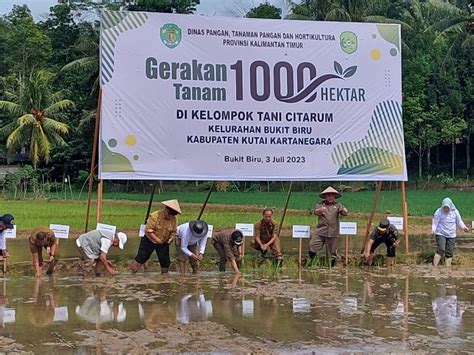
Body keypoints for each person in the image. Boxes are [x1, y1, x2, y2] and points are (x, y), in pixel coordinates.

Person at [130, 199, 181, 274]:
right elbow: (149, 230)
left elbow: (173, 231)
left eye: (172, 215)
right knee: (141, 258)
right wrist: (157, 240)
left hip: (163, 241)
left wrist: (171, 238)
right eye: (169, 213)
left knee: (165, 261)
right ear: (166, 209)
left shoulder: (174, 219)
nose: (170, 216)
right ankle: (132, 273)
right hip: (149, 239)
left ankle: (164, 277)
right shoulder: (155, 216)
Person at [309, 186, 348, 266]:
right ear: (325, 196)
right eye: (328, 195)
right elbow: (316, 212)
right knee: (313, 246)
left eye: (332, 195)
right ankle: (312, 262)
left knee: (332, 253)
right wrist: (320, 210)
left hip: (333, 232)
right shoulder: (320, 204)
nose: (330, 197)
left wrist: (344, 211)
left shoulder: (338, 205)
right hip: (321, 231)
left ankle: (331, 268)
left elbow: (345, 212)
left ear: (334, 197)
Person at [432, 197, 469, 268]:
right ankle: (434, 267)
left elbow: (459, 221)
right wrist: (433, 229)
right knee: (441, 249)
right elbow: (435, 222)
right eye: (444, 208)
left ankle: (448, 268)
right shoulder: (439, 212)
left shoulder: (455, 212)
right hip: (441, 233)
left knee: (449, 252)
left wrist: (464, 227)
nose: (446, 209)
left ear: (450, 207)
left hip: (451, 234)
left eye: (447, 208)